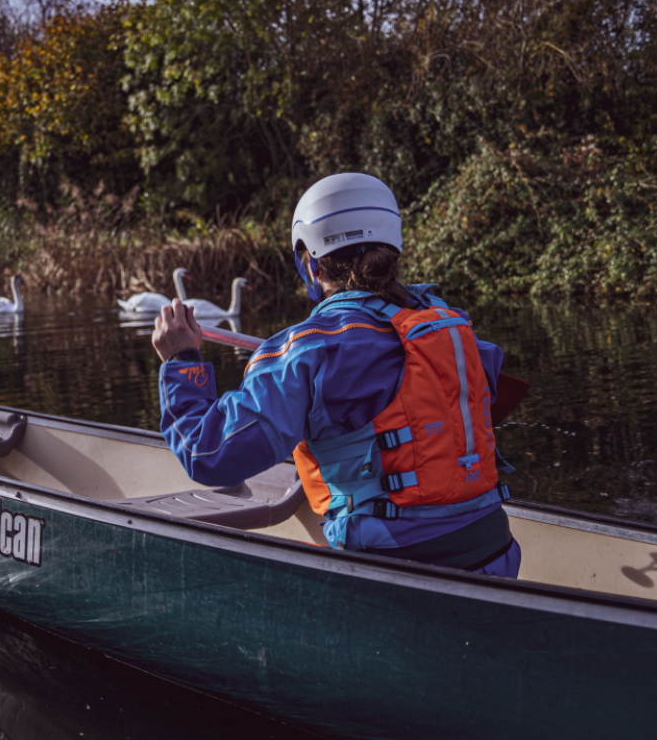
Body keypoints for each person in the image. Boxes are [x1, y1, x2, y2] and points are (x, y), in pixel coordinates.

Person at [151, 173, 520, 577]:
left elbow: (209, 455)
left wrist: (181, 361)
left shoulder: (310, 350)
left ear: (310, 262)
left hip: (401, 561)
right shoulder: (453, 328)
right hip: (494, 549)